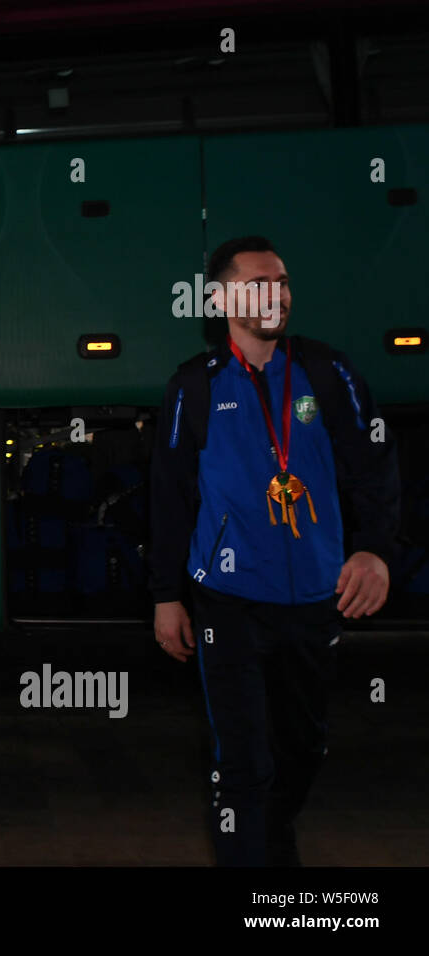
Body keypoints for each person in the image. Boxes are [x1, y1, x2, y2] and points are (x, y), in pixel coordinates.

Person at [150, 236, 399, 867]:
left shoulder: (327, 371)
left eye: (282, 282)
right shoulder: (194, 387)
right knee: (243, 763)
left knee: (303, 752)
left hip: (316, 601)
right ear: (222, 298)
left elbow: (375, 466)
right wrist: (164, 596)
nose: (277, 295)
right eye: (259, 283)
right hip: (228, 604)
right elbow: (171, 498)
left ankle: (272, 848)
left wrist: (374, 549)